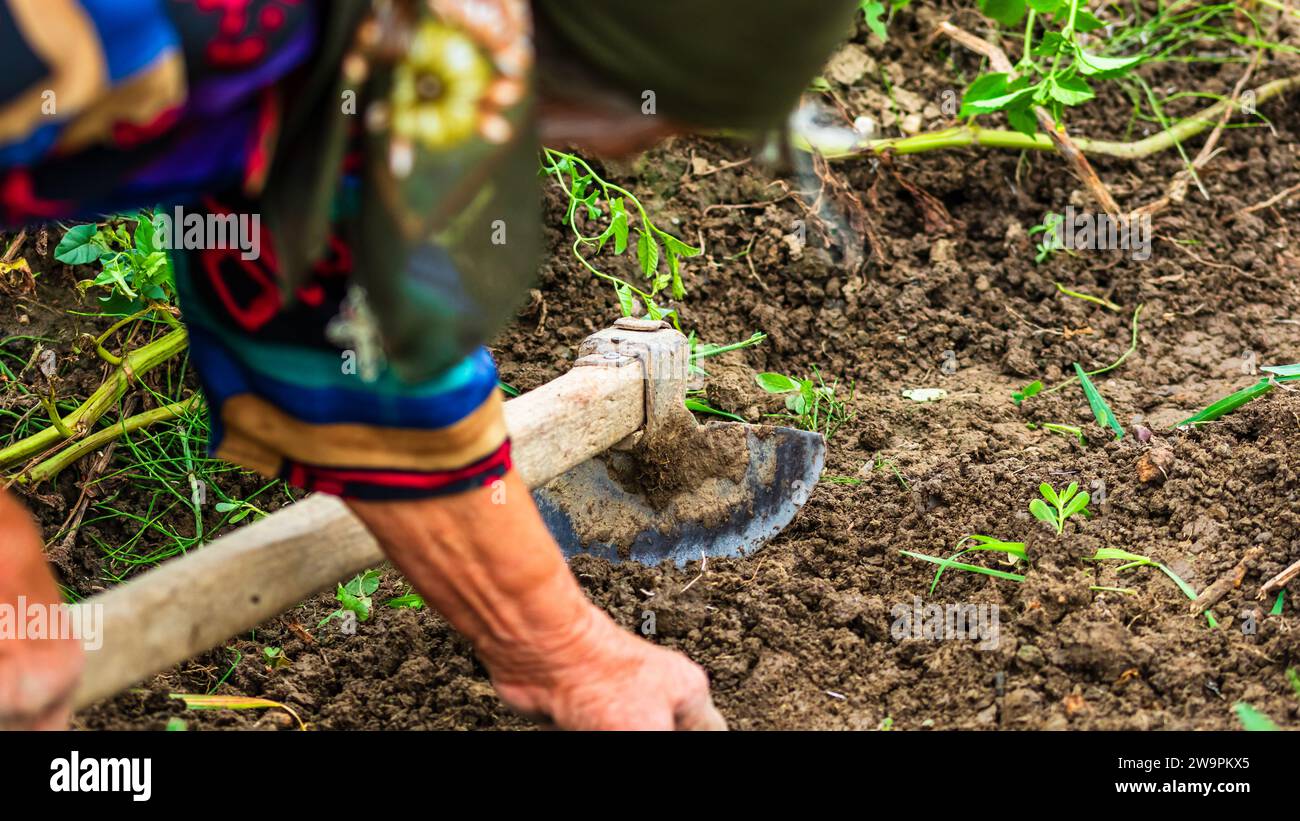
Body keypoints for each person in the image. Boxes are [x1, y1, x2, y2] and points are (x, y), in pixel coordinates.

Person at [0, 0, 856, 731]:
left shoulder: (366, 62)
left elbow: (350, 339)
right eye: (662, 118)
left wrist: (561, 648)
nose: (635, 153)